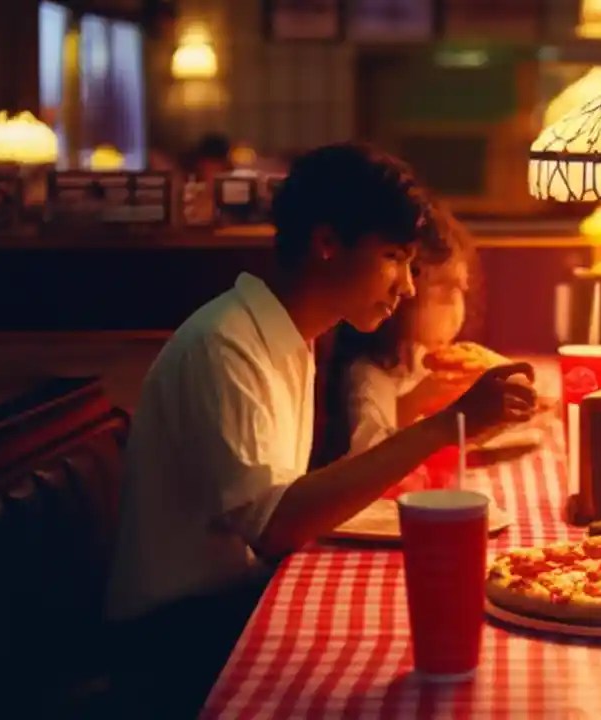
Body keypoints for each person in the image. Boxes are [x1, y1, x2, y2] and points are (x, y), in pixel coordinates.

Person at [105, 143, 535, 717]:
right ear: (327, 244)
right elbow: (276, 525)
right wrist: (444, 427)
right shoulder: (225, 343)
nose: (407, 286)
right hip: (174, 637)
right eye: (393, 257)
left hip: (233, 603)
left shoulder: (291, 338)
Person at [321, 199, 478, 463]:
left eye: (460, 288)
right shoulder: (368, 375)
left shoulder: (421, 358)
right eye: (442, 289)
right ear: (405, 293)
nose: (455, 304)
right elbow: (367, 459)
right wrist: (415, 402)